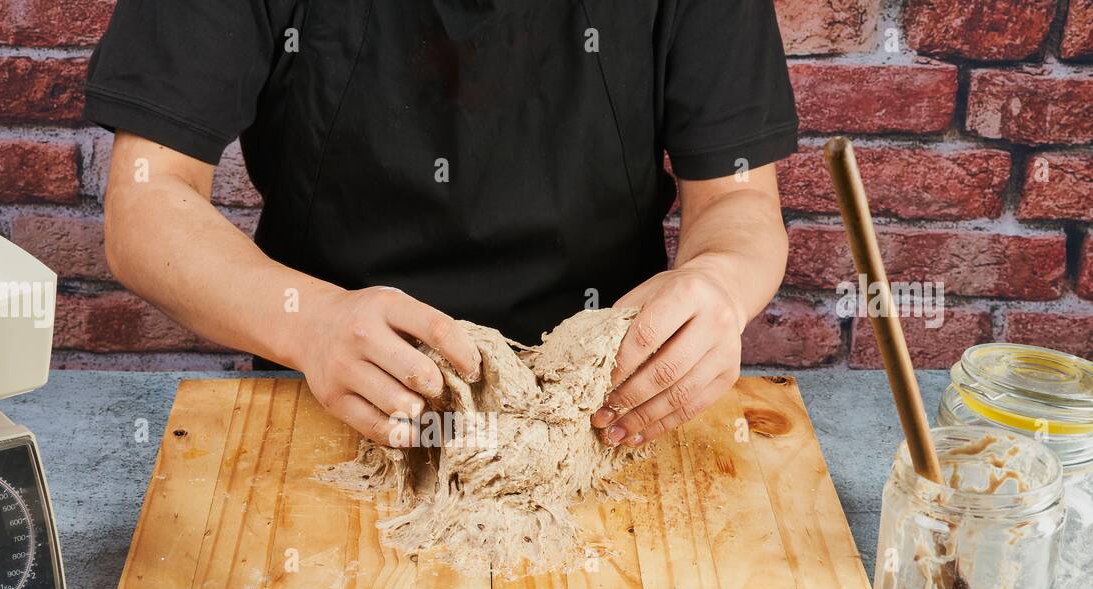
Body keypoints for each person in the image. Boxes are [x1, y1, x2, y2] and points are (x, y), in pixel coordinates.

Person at [84, 0, 796, 448]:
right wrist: (311, 324)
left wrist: (720, 287)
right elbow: (147, 205)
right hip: (334, 397)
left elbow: (736, 203)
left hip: (605, 414)